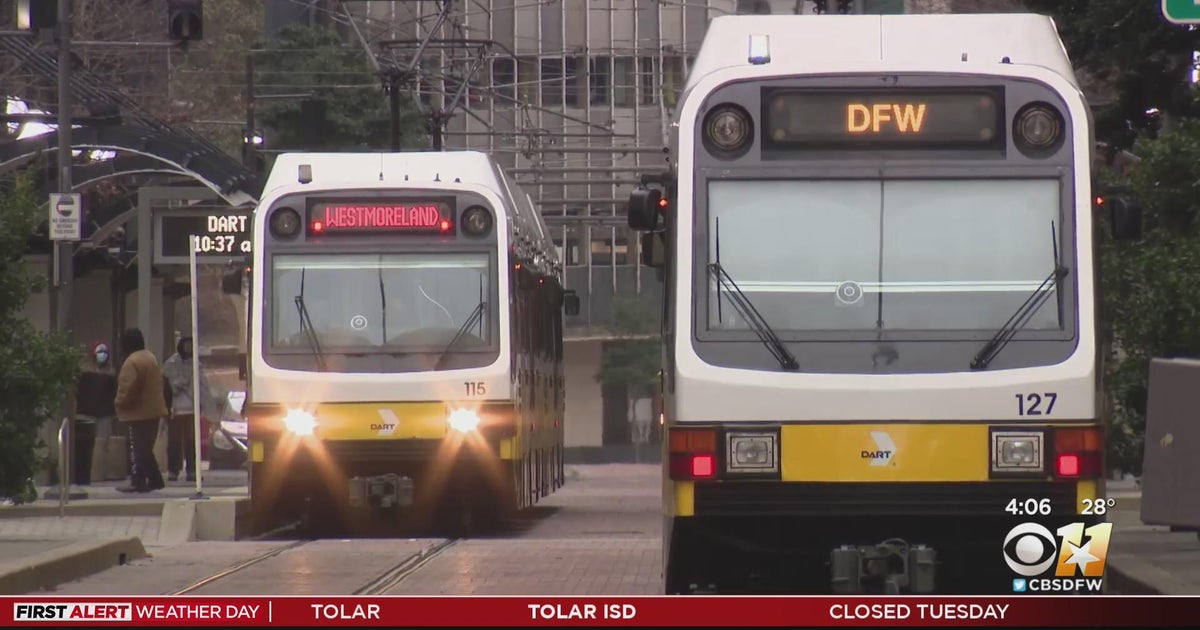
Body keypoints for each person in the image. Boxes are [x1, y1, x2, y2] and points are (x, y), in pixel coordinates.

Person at [113, 328, 168, 493]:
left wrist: (119, 403)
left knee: (138, 448)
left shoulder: (132, 362)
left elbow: (128, 388)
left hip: (138, 412)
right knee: (145, 448)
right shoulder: (150, 357)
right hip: (154, 409)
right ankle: (155, 480)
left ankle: (138, 481)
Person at [162, 336, 213, 482]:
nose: (189, 348)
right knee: (174, 442)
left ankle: (192, 470)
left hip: (192, 409)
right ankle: (173, 470)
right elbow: (166, 387)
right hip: (176, 409)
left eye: (191, 346)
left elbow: (203, 386)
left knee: (191, 442)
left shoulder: (197, 364)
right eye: (187, 345)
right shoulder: (171, 363)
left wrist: (204, 404)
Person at [73, 342, 117, 485]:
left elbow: (113, 393)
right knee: (87, 445)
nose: (102, 355)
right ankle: (89, 473)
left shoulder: (111, 372)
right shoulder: (85, 371)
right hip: (87, 412)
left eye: (105, 352)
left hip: (104, 413)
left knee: (102, 444)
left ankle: (100, 472)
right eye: (99, 352)